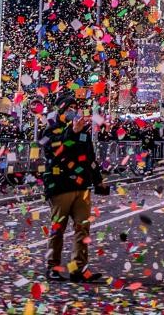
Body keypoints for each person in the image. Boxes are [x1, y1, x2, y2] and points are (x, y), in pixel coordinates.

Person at [39, 89, 107, 283]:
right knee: (58, 228)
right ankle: (53, 267)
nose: (74, 111)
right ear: (61, 110)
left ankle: (78, 269)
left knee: (82, 228)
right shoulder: (50, 129)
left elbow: (90, 157)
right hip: (60, 186)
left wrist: (98, 180)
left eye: (76, 107)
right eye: (70, 108)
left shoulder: (82, 131)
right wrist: (72, 132)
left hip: (82, 186)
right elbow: (56, 152)